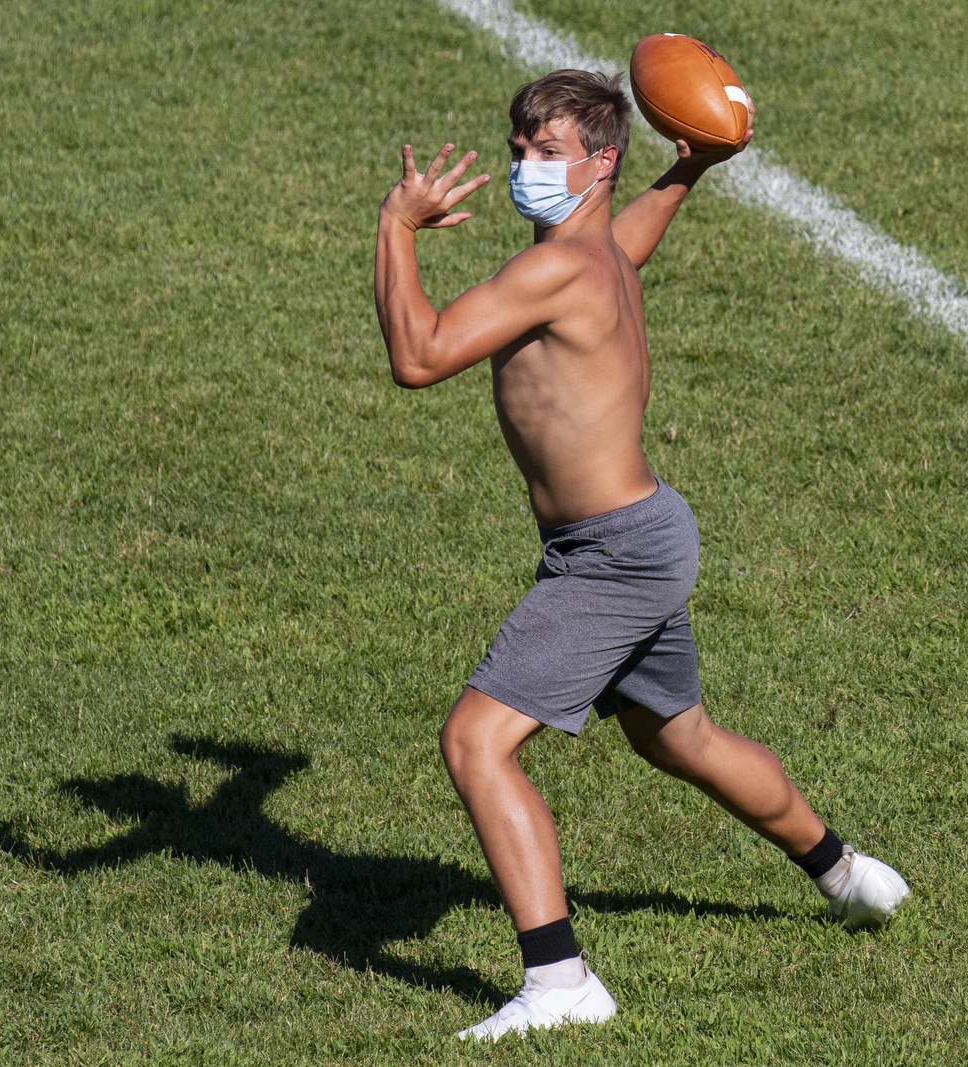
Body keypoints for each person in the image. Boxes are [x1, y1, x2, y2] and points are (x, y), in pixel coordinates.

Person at [371, 69, 911, 1041]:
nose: (523, 166)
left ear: (599, 163)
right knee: (678, 738)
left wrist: (396, 227)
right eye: (519, 148)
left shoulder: (550, 271)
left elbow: (419, 356)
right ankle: (847, 873)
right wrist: (687, 172)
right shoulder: (600, 255)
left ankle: (560, 982)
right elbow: (634, 238)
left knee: (475, 742)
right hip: (644, 533)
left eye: (547, 152)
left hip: (610, 558)